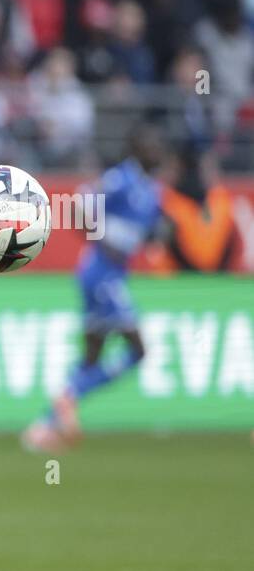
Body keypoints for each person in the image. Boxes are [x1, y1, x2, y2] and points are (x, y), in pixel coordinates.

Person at [23, 124, 171, 451]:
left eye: (159, 145)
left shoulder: (153, 190)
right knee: (138, 349)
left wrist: (155, 237)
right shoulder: (123, 178)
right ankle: (69, 398)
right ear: (135, 149)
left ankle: (44, 425)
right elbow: (79, 200)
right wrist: (99, 238)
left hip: (110, 274)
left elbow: (154, 229)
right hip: (102, 274)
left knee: (91, 357)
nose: (156, 151)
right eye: (150, 145)